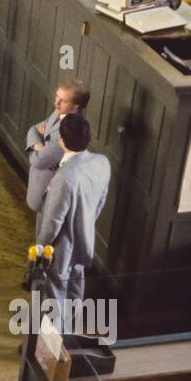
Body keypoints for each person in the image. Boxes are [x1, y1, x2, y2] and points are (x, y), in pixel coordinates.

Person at [37, 113, 111, 325]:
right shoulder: (102, 163)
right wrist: (85, 224)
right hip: (86, 237)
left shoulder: (65, 177)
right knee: (76, 288)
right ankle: (69, 333)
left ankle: (52, 346)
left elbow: (53, 222)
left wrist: (40, 248)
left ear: (61, 139)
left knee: (54, 295)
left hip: (62, 245)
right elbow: (100, 202)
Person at [25, 78, 90, 213]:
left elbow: (37, 161)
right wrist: (42, 146)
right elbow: (33, 129)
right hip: (43, 185)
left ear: (76, 105)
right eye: (57, 96)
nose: (56, 103)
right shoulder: (62, 111)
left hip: (50, 193)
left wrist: (39, 144)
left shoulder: (69, 131)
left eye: (63, 100)